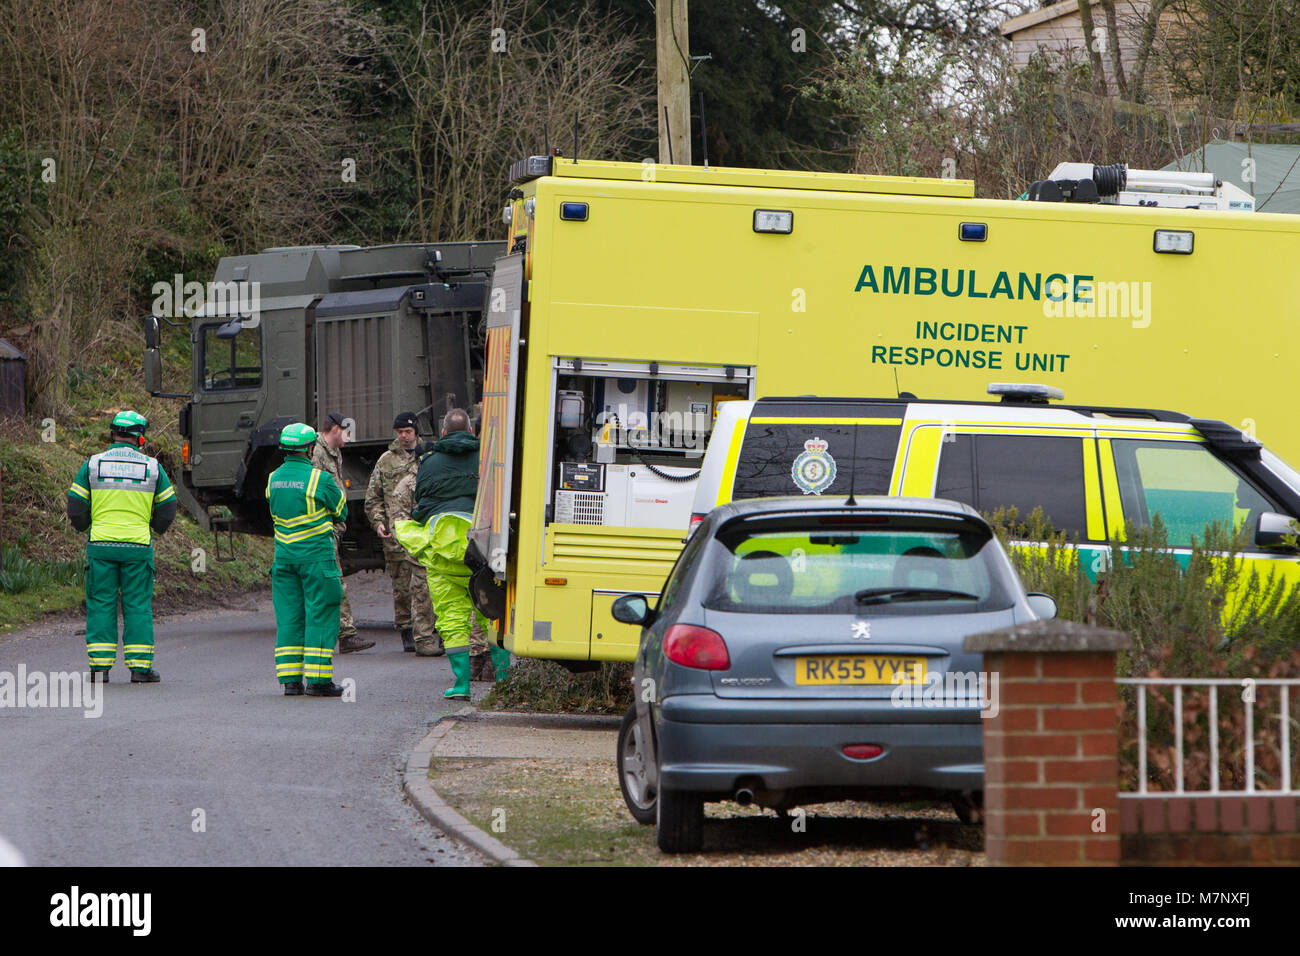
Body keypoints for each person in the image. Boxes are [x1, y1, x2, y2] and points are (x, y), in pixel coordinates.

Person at [394, 408, 509, 700]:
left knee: (451, 620)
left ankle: (461, 685)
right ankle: (506, 680)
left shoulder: (428, 463)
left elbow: (420, 505)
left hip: (443, 554)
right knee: (493, 614)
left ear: (443, 433)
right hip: (481, 552)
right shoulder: (487, 459)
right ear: (471, 432)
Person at [66, 410, 176, 683]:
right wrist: (155, 528)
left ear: (112, 434)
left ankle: (100, 668)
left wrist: (85, 526)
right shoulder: (152, 467)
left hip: (101, 545)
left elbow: (76, 505)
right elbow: (168, 508)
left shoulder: (92, 464)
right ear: (140, 438)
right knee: (137, 604)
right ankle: (140, 669)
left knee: (101, 602)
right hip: (137, 547)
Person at [266, 423, 347, 697]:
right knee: (321, 615)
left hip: (284, 559)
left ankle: (290, 681)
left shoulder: (272, 479)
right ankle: (318, 681)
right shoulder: (319, 479)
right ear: (310, 448)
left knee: (290, 617)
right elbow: (341, 510)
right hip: (316, 559)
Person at [364, 411, 433, 652]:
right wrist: (378, 522)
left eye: (408, 432)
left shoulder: (429, 456)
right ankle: (406, 629)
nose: (404, 437)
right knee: (402, 585)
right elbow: (373, 498)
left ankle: (429, 628)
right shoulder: (386, 461)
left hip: (423, 531)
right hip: (395, 535)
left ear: (416, 433)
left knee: (427, 583)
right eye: (400, 432)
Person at [312, 412, 373, 653]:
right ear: (336, 429)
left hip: (332, 527)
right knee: (333, 581)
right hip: (321, 528)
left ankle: (342, 633)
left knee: (333, 581)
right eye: (347, 432)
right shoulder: (316, 453)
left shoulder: (333, 451)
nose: (350, 437)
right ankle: (344, 634)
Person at [387, 471, 443, 657]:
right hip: (421, 548)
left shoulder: (442, 476)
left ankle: (447, 638)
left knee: (445, 594)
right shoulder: (408, 485)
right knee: (422, 594)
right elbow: (398, 521)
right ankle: (423, 639)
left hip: (443, 545)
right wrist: (414, 547)